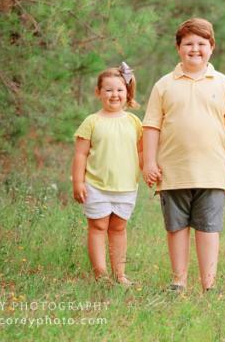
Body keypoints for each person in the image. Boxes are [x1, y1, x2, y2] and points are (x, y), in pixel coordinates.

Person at [142, 18, 225, 293]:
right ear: (178, 48)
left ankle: (209, 284)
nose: (195, 49)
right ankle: (178, 281)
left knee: (208, 228)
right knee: (177, 228)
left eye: (202, 44)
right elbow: (151, 126)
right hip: (173, 171)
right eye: (188, 44)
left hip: (212, 172)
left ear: (211, 48)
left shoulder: (223, 83)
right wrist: (149, 161)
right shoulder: (164, 85)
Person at [71, 63, 143, 286]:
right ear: (98, 92)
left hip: (126, 186)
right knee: (98, 227)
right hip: (96, 185)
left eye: (120, 90)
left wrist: (148, 171)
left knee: (118, 228)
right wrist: (78, 182)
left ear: (127, 93)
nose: (114, 95)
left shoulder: (134, 122)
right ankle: (100, 274)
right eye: (109, 90)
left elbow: (141, 152)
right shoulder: (92, 122)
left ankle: (120, 274)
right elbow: (81, 154)